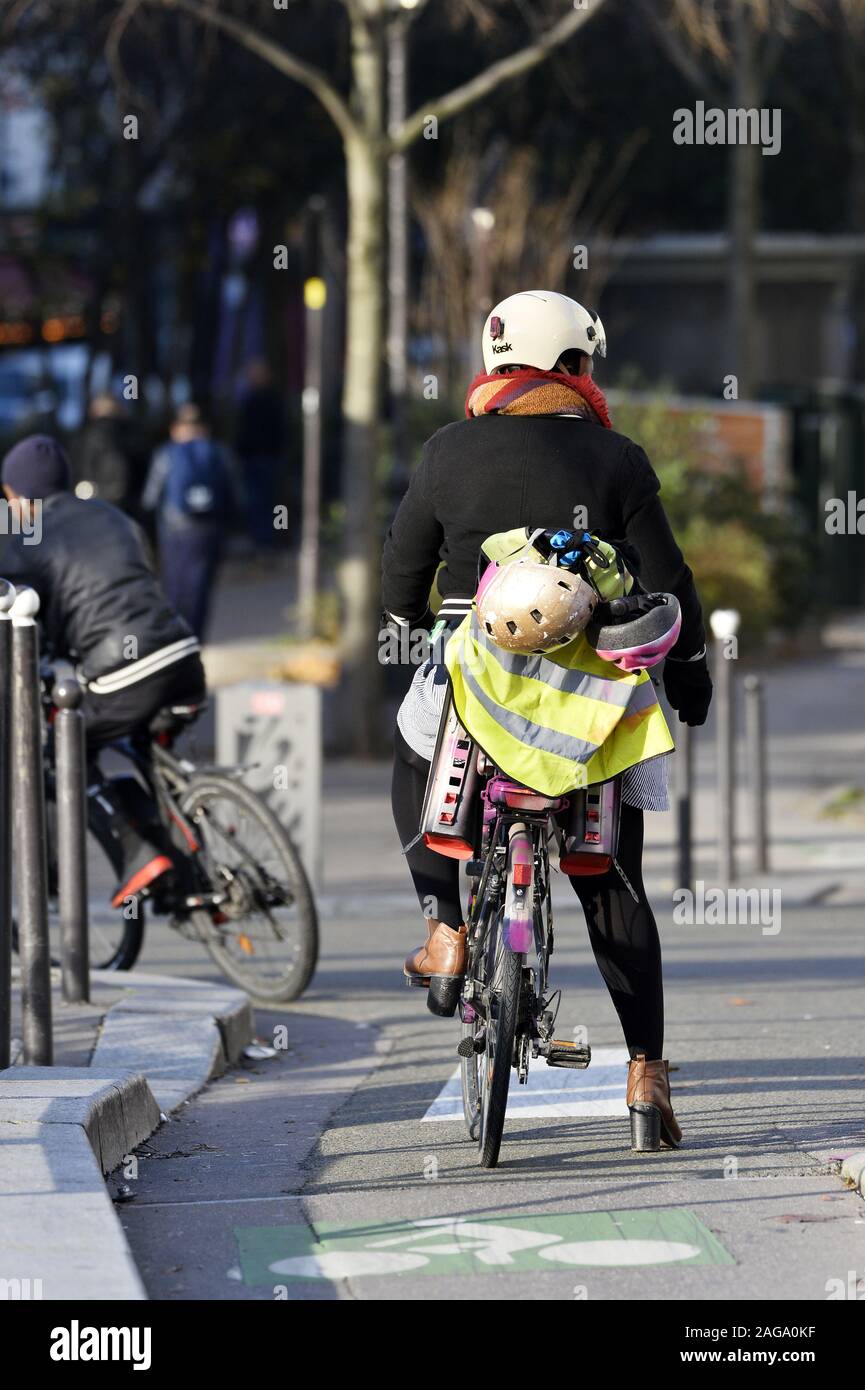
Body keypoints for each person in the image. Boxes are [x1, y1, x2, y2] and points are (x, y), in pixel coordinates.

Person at [382, 290, 713, 1152]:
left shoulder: (445, 450)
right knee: (612, 885)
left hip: (475, 692)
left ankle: (446, 928)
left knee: (411, 749)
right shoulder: (616, 457)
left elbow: (397, 584)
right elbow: (670, 581)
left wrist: (426, 629)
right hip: (591, 700)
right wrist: (691, 673)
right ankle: (644, 1077)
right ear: (572, 365)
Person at [0, 433, 206, 907]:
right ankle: (194, 876)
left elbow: (23, 619)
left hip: (124, 669)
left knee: (59, 752)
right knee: (146, 751)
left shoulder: (28, 536)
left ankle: (139, 853)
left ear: (20, 494)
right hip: (182, 652)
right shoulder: (113, 514)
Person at [143, 403, 237, 641]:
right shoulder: (218, 452)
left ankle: (176, 640)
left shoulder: (166, 453)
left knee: (174, 588)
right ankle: (196, 639)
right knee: (200, 589)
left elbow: (150, 497)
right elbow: (234, 493)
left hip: (174, 528)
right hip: (208, 529)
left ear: (176, 428)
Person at [234, 359, 286, 552]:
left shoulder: (269, 400)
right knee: (257, 502)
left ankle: (267, 541)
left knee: (266, 501)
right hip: (256, 458)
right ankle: (261, 541)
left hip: (266, 458)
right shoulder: (250, 399)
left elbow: (278, 431)